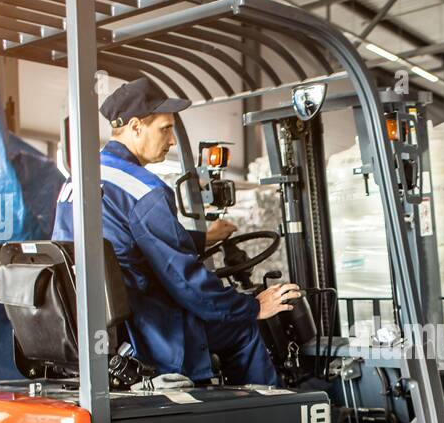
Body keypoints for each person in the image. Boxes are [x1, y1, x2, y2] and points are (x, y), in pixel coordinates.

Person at [52, 77, 297, 385]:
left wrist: (203, 238)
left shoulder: (78, 181)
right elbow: (185, 281)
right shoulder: (145, 190)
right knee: (244, 328)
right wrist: (252, 306)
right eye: (165, 129)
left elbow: (128, 242)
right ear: (136, 127)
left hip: (98, 328)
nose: (170, 141)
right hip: (150, 329)